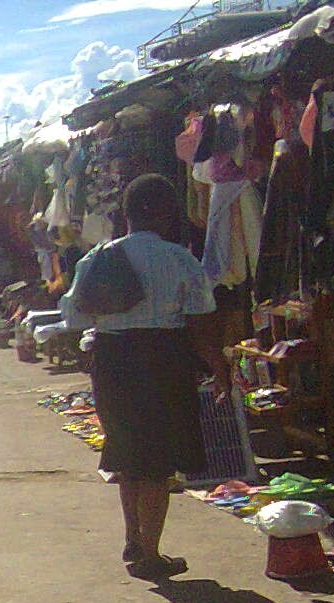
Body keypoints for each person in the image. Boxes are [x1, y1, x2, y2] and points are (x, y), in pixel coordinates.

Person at [61, 173, 229, 580]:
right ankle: (150, 554)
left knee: (128, 451)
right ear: (166, 213)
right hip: (163, 360)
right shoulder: (178, 259)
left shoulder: (98, 258)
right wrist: (221, 371)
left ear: (126, 213)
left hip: (113, 360)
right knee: (156, 462)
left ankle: (134, 538)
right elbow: (200, 322)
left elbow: (73, 316)